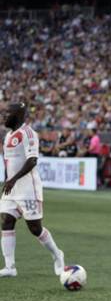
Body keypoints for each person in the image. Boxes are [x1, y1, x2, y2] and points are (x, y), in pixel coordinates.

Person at [0, 103, 65, 278]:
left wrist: (13, 180)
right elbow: (7, 162)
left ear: (18, 114)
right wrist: (8, 180)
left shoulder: (28, 133)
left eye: (8, 113)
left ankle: (57, 254)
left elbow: (32, 160)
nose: (4, 115)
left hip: (28, 188)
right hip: (11, 189)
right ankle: (10, 267)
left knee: (35, 229)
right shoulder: (8, 136)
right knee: (6, 221)